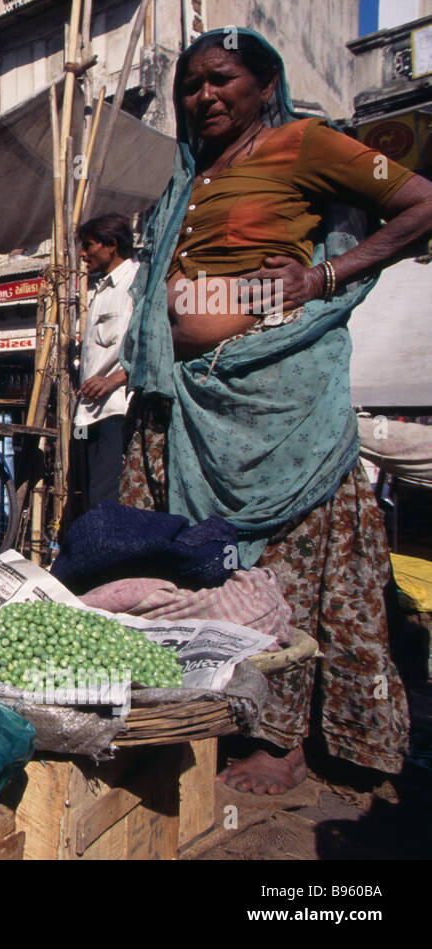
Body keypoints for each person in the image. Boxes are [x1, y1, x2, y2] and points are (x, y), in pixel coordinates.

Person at [118, 28, 432, 795]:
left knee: (278, 571)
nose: (203, 97)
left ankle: (282, 738)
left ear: (265, 84)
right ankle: (192, 703)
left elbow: (422, 202)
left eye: (221, 80)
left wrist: (324, 275)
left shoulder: (306, 143)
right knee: (172, 561)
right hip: (184, 395)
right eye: (190, 86)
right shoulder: (189, 173)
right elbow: (184, 291)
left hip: (274, 402)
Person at [74, 212, 139, 510]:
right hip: (90, 412)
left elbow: (148, 344)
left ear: (111, 245)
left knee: (107, 494)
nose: (84, 254)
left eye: (89, 245)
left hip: (117, 407)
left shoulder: (136, 283)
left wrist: (112, 380)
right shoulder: (101, 288)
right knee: (89, 492)